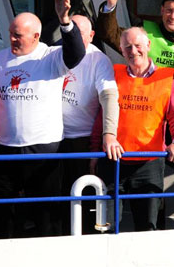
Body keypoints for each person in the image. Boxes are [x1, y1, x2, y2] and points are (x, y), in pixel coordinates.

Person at [0, 0, 86, 238]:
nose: (12, 40)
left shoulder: (50, 56)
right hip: (5, 149)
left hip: (43, 150)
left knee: (46, 216)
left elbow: (76, 53)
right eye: (10, 34)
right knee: (2, 215)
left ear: (36, 36)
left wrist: (65, 21)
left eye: (18, 36)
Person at [92, 27, 174, 231]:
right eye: (127, 47)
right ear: (120, 48)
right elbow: (101, 116)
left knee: (148, 226)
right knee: (106, 226)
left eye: (138, 45)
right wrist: (94, 153)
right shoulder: (113, 75)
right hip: (113, 162)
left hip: (149, 165)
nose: (133, 51)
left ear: (148, 46)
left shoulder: (168, 79)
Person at [57, 14, 121, 234]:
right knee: (56, 196)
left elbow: (109, 95)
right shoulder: (55, 51)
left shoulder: (99, 60)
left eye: (79, 33)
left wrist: (109, 133)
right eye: (70, 30)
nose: (72, 36)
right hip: (52, 137)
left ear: (92, 36)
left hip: (81, 140)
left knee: (82, 199)